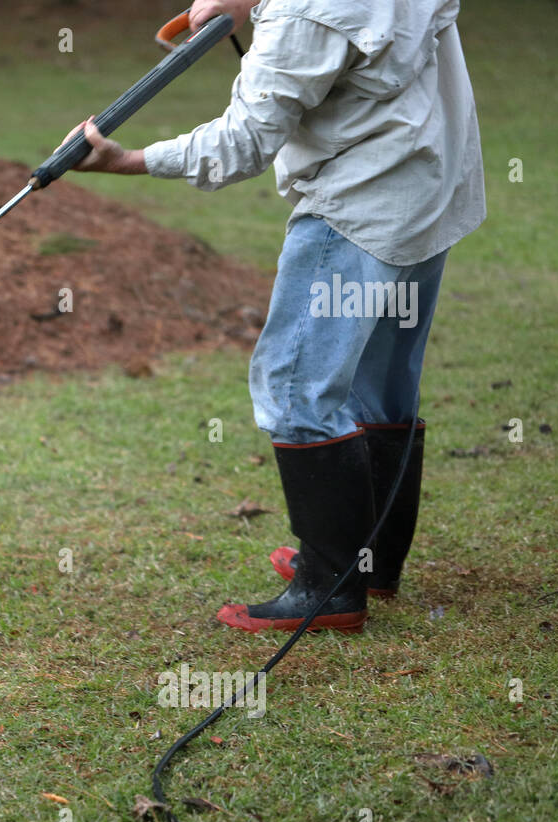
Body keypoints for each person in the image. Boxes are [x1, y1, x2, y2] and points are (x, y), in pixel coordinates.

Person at [58, 0, 485, 632]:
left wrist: (126, 160)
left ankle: (332, 590)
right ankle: (369, 562)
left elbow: (243, 143)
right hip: (430, 190)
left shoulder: (302, 13)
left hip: (359, 211)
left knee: (296, 388)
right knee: (380, 387)